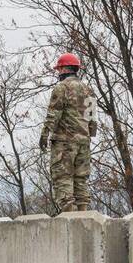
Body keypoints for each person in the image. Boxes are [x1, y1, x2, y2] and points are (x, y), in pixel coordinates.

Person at [39, 53, 97, 212]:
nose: (58, 73)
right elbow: (92, 118)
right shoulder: (89, 90)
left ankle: (69, 217)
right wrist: (87, 134)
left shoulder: (61, 87)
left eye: (59, 69)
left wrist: (45, 134)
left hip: (64, 142)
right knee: (80, 180)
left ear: (64, 68)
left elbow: (54, 114)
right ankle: (84, 216)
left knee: (63, 178)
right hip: (84, 142)